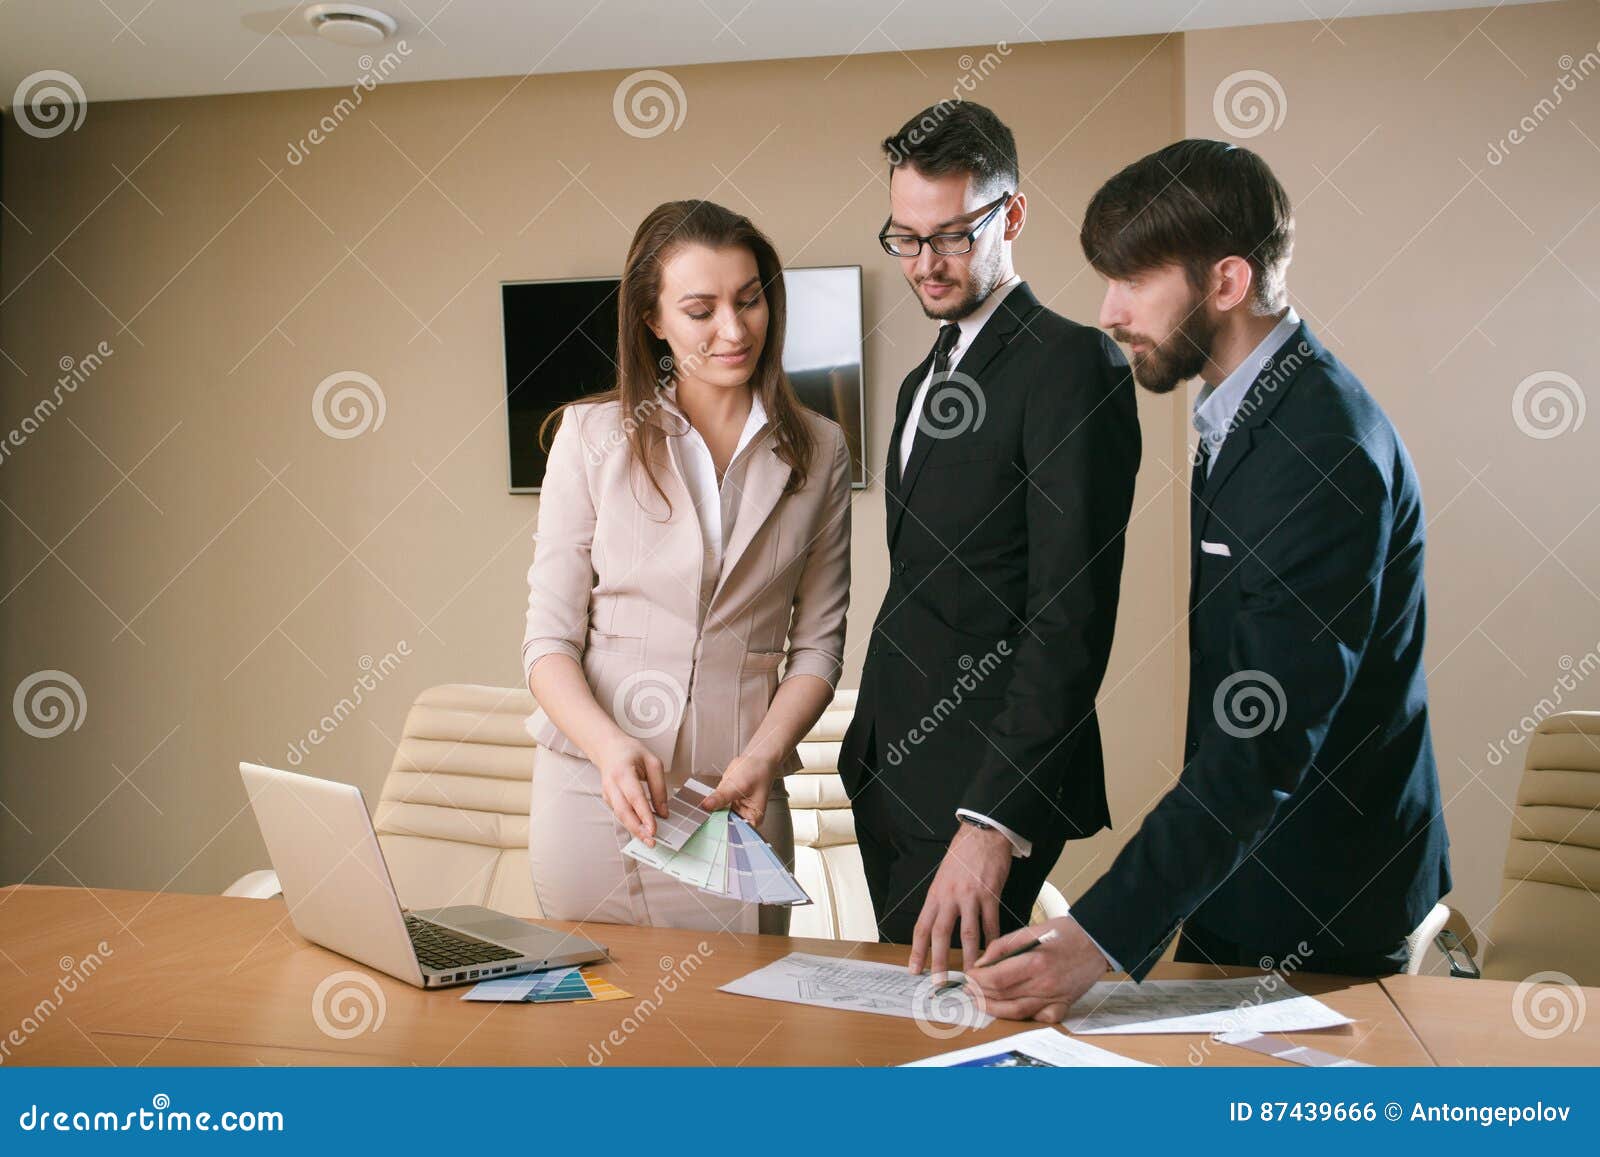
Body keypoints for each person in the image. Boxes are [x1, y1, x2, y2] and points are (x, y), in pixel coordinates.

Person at [968, 140, 1452, 1020]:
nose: (1108, 311)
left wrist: (1098, 933)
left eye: (1132, 281)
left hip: (1321, 903)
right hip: (1241, 878)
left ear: (1227, 283)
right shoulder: (1244, 406)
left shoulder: (1318, 448)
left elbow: (1263, 733)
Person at [837, 101, 1141, 977]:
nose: (926, 263)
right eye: (905, 238)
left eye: (952, 236)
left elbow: (1068, 614)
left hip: (976, 791)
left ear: (1010, 215)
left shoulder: (1072, 364)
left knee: (955, 1044)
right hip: (889, 769)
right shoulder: (916, 385)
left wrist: (993, 821)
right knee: (910, 1027)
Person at [520, 199, 852, 935]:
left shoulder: (821, 450)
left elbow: (819, 647)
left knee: (737, 1037)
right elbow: (547, 643)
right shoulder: (590, 437)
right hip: (592, 791)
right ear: (653, 320)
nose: (733, 331)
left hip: (735, 797)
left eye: (749, 299)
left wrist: (765, 755)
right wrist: (608, 749)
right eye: (700, 310)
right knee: (585, 1025)